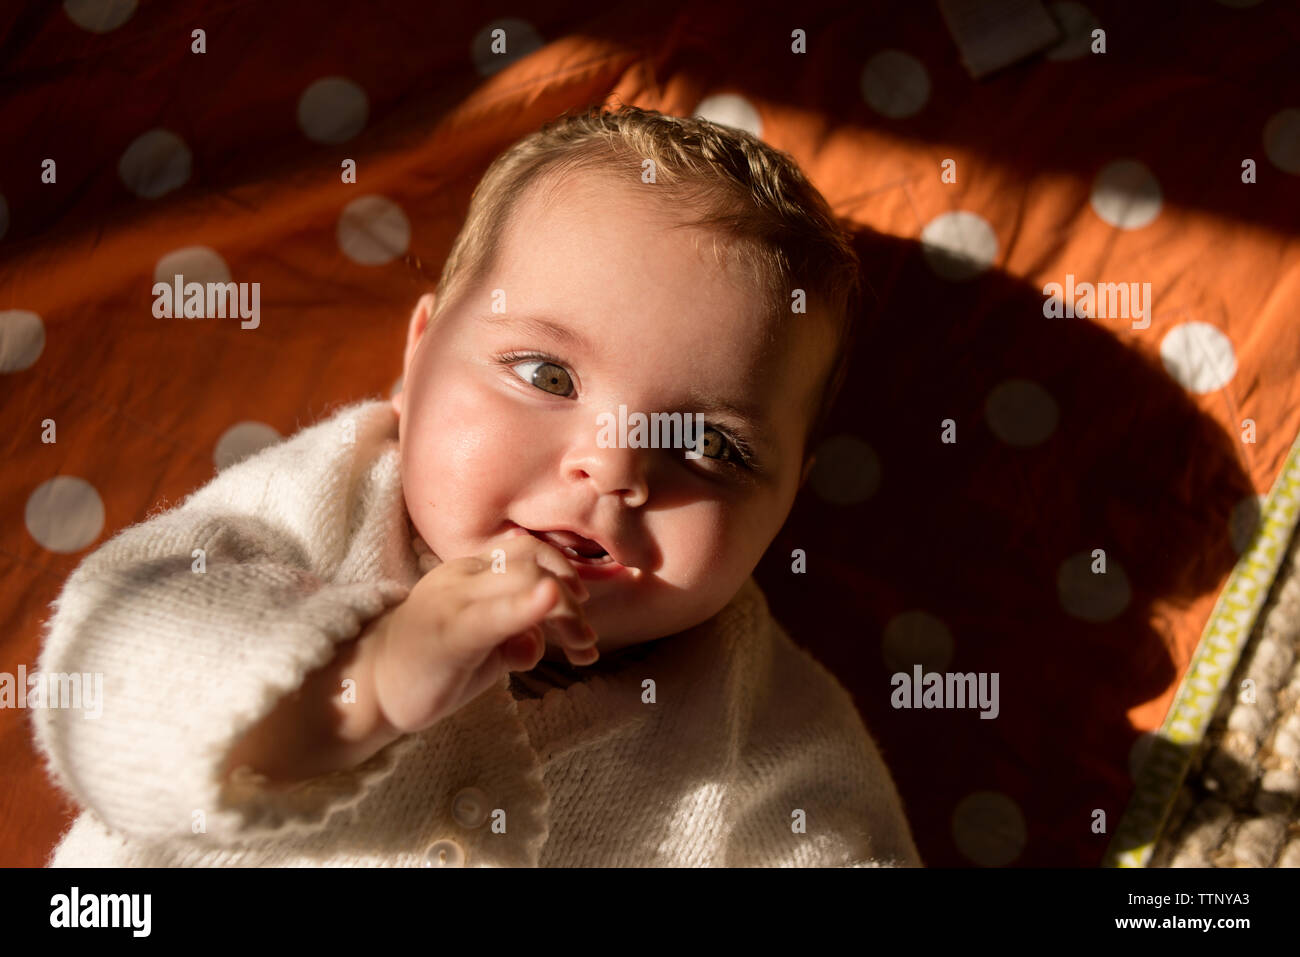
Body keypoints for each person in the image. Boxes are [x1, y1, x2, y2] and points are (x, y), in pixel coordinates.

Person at [32, 104, 921, 867]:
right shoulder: (317, 509)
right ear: (417, 362)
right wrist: (358, 682)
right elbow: (98, 683)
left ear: (788, 500)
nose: (613, 466)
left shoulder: (773, 734)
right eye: (547, 374)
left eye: (709, 444)